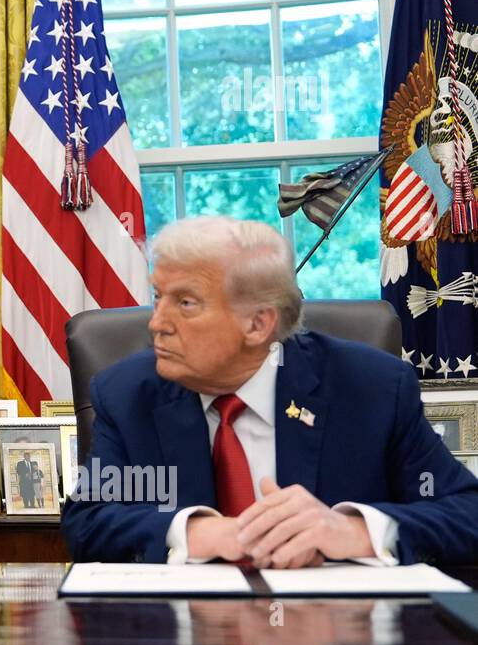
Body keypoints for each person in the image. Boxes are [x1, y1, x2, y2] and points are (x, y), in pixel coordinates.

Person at [62, 216, 478, 567]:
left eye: (185, 303)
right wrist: (199, 533)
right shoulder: (128, 393)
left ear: (258, 324)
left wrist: (355, 532)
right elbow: (88, 522)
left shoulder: (372, 389)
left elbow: (465, 512)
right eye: (158, 298)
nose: (157, 323)